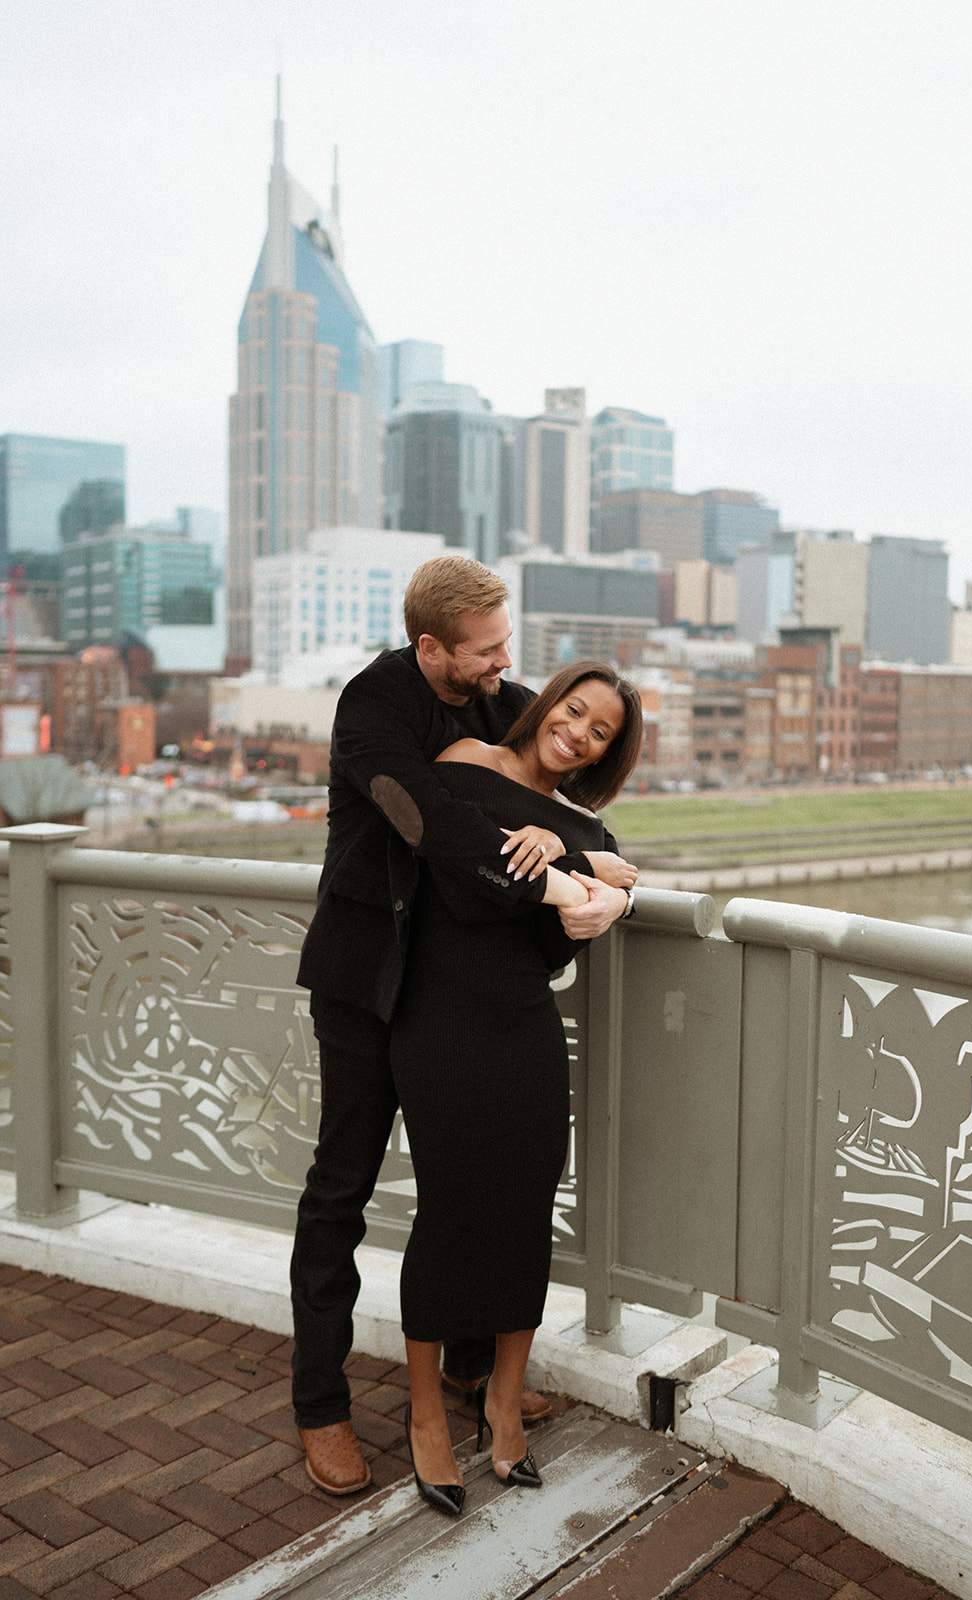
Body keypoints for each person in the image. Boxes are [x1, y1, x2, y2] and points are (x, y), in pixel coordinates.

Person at [291, 556, 634, 1495]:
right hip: (368, 984)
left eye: (505, 646)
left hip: (460, 991)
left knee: (488, 1184)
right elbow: (430, 819)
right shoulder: (374, 705)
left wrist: (567, 844)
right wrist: (564, 878)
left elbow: (577, 799)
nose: (503, 664)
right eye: (486, 651)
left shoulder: (496, 699)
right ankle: (320, 1404)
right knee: (341, 1192)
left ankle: (474, 1372)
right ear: (429, 645)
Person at [391, 662, 643, 1515]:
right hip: (435, 1021)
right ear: (548, 704)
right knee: (449, 1210)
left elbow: (607, 901)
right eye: (574, 710)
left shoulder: (584, 827)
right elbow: (466, 877)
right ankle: (426, 1410)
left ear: (605, 752)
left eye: (599, 731)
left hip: (523, 1028)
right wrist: (563, 864)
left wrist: (569, 853)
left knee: (526, 1206)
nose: (577, 732)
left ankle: (503, 1395)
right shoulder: (462, 759)